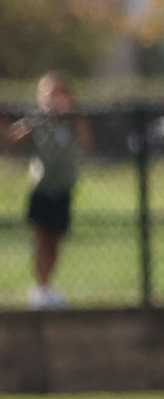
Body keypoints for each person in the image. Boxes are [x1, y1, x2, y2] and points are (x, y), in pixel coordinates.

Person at [3, 72, 92, 310]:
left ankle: (48, 286)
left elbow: (86, 142)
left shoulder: (72, 121)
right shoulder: (36, 120)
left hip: (63, 187)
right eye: (48, 95)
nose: (53, 100)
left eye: (58, 94)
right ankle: (41, 289)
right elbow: (13, 137)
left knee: (56, 240)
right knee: (41, 239)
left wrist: (75, 114)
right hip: (42, 187)